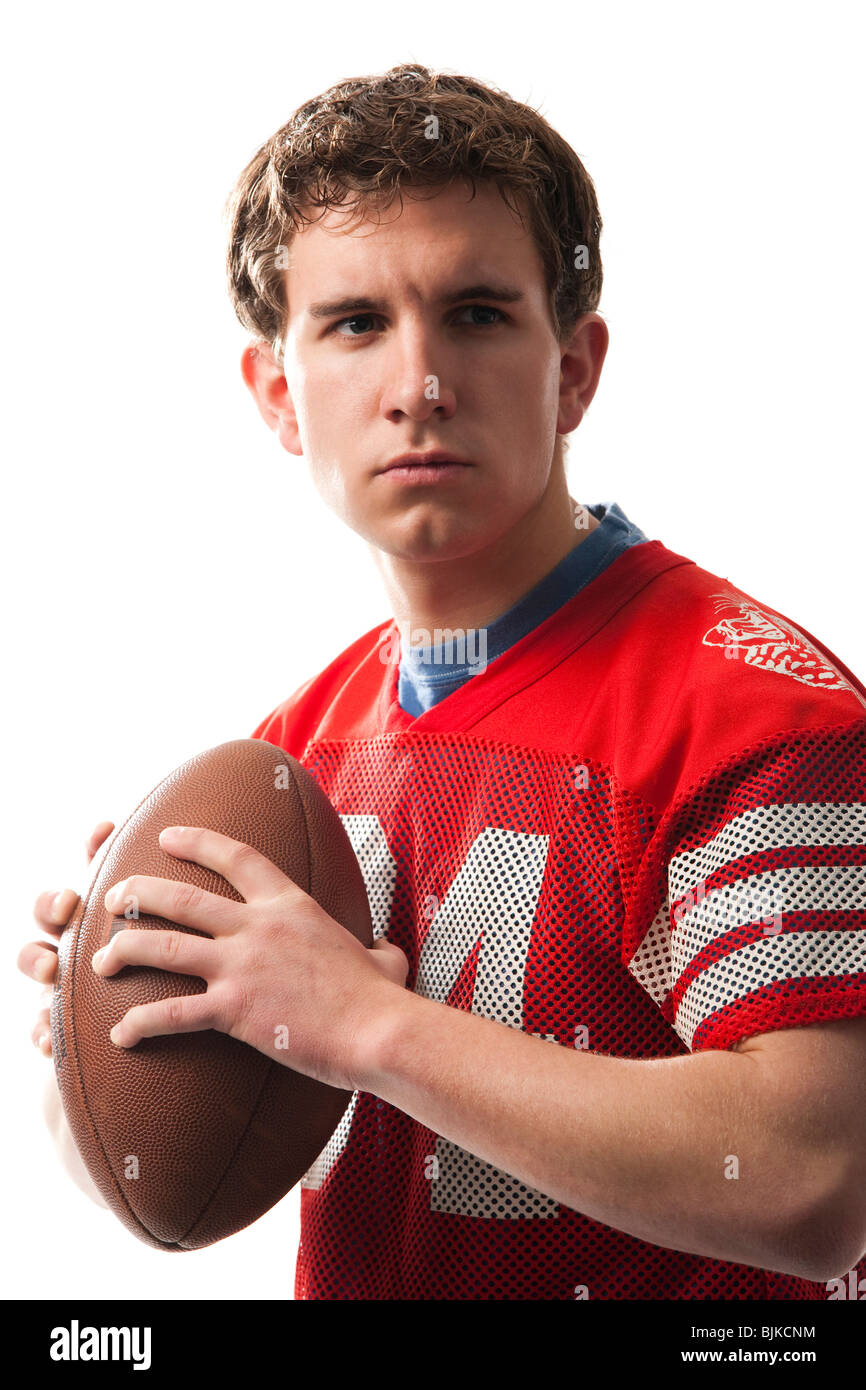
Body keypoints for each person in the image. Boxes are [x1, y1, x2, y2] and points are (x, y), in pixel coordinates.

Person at [22, 62, 866, 1301]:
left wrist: (364, 1023)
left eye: (475, 312)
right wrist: (97, 1063)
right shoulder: (296, 746)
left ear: (573, 368)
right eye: (356, 322)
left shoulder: (752, 708)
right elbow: (165, 1205)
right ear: (278, 394)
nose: (417, 383)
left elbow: (813, 1181)